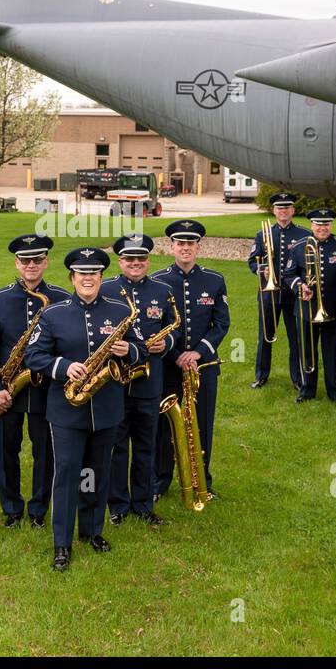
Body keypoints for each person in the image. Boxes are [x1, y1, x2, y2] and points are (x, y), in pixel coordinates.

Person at [23, 247, 145, 572]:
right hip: (66, 410)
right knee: (66, 474)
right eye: (81, 274)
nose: (87, 278)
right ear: (72, 278)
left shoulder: (120, 311)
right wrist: (64, 367)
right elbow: (33, 356)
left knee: (96, 472)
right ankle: (61, 543)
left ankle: (92, 530)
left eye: (93, 273)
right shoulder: (53, 315)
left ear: (101, 277)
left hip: (106, 409)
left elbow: (143, 349)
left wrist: (130, 349)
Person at [0, 234, 70, 528]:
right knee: (5, 452)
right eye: (25, 260)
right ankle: (12, 508)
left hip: (46, 391)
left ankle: (39, 509)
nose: (31, 265)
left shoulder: (62, 298)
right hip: (6, 390)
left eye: (37, 260)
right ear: (17, 263)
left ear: (46, 262)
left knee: (45, 453)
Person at [151, 220, 229, 500]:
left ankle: (202, 482)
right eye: (180, 243)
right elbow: (156, 326)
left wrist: (198, 352)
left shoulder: (215, 280)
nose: (185, 248)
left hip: (203, 367)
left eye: (190, 243)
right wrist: (175, 355)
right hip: (168, 368)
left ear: (198, 246)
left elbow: (221, 324)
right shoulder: (158, 281)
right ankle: (159, 482)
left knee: (201, 425)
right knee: (164, 426)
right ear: (172, 246)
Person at [104, 233, 175, 527]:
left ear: (148, 261)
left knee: (147, 445)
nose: (136, 263)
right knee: (117, 446)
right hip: (115, 382)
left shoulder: (162, 289)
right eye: (130, 259)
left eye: (141, 259)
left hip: (149, 381)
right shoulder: (106, 289)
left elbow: (175, 328)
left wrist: (167, 343)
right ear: (120, 261)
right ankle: (118, 505)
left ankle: (144, 504)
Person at [289, 208, 336, 404]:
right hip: (306, 310)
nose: (322, 227)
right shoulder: (299, 247)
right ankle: (307, 389)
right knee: (306, 350)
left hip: (332, 310)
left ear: (331, 225)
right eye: (318, 224)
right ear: (312, 225)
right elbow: (288, 274)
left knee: (332, 351)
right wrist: (300, 286)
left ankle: (333, 390)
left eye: (326, 224)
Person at [248, 193, 308, 391]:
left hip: (293, 294)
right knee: (265, 337)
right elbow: (252, 261)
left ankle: (298, 378)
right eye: (279, 208)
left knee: (296, 338)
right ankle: (261, 375)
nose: (283, 211)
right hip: (268, 294)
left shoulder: (303, 235)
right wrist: (261, 270)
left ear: (293, 210)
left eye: (287, 207)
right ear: (274, 211)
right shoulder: (262, 234)